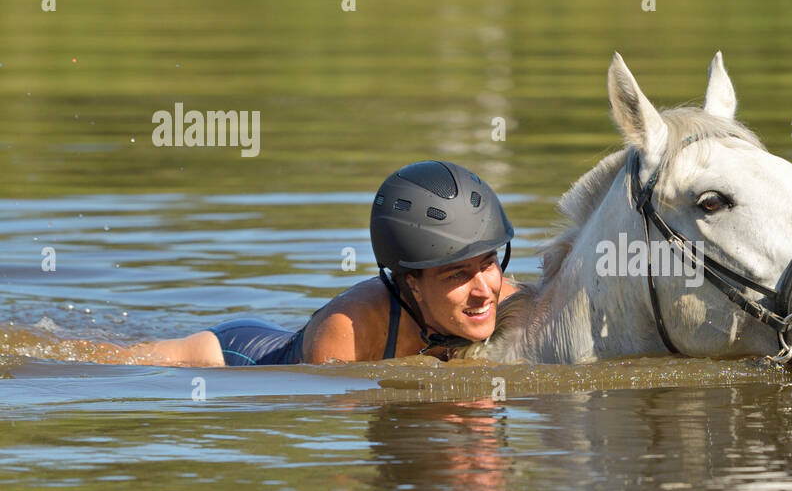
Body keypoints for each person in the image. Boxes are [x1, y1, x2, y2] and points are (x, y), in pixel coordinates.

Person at [84, 161, 517, 366]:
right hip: (237, 353)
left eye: (489, 263)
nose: (484, 290)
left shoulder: (508, 302)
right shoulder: (348, 332)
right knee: (117, 360)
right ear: (411, 283)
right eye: (457, 274)